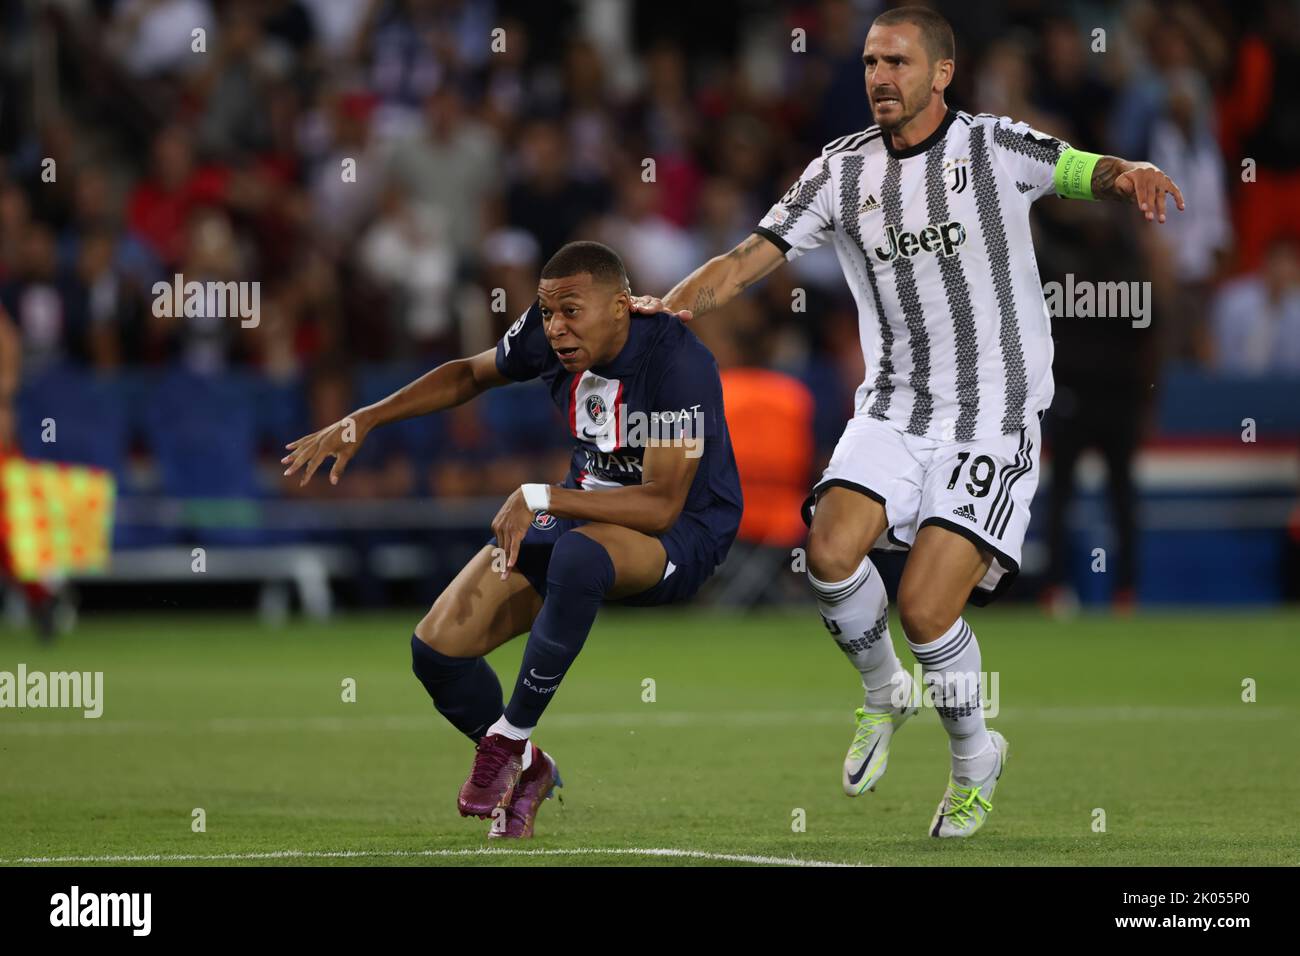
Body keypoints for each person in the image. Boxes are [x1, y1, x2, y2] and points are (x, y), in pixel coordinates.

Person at [631, 6, 1184, 837]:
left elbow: (1077, 169)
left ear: (941, 72)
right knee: (826, 552)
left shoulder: (994, 148)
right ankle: (885, 690)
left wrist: (1129, 170)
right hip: (895, 404)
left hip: (991, 416)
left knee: (927, 608)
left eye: (896, 62)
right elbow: (752, 256)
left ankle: (973, 757)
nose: (879, 78)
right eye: (869, 63)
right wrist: (669, 310)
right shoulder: (838, 173)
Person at [283, 241, 742, 838]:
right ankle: (530, 770)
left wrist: (540, 496)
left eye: (571, 311)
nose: (555, 328)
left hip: (683, 532)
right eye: (548, 313)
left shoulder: (676, 361)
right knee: (437, 653)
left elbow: (659, 504)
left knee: (578, 555)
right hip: (585, 506)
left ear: (620, 308)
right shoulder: (549, 336)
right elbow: (468, 375)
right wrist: (365, 418)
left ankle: (509, 737)